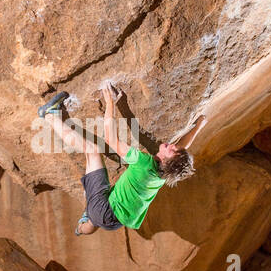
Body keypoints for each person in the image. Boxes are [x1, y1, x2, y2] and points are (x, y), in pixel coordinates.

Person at [38, 83, 206, 236]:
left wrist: (110, 103)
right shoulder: (163, 175)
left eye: (172, 151)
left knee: (92, 150)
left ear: (166, 161)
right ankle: (80, 229)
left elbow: (112, 140)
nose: (173, 145)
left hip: (104, 210)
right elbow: (183, 147)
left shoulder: (144, 163)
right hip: (115, 222)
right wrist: (198, 127)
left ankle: (49, 115)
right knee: (94, 220)